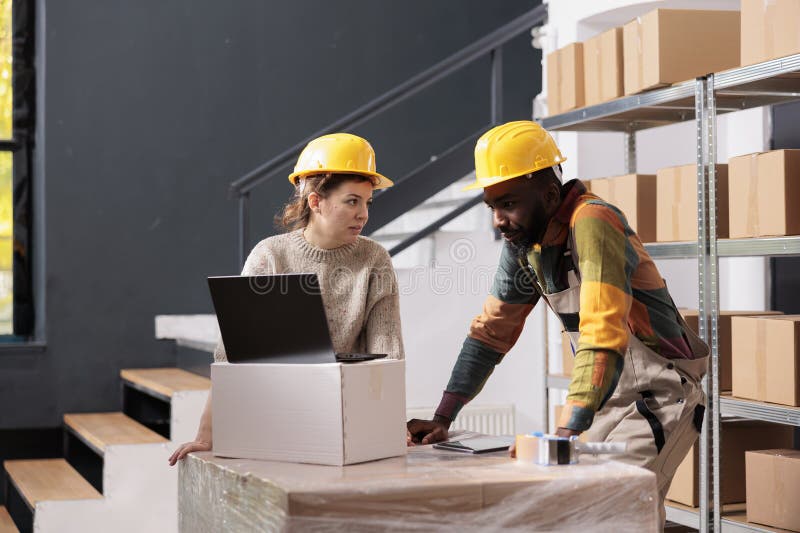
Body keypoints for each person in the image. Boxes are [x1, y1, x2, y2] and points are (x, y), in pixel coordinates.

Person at [406, 121, 708, 522]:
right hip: (606, 402)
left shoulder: (595, 221)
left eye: (508, 204)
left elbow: (603, 329)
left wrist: (567, 429)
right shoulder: (524, 246)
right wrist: (443, 417)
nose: (498, 219)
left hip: (661, 394)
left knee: (613, 510)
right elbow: (490, 334)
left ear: (549, 194)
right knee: (593, 514)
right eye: (492, 206)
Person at [169, 133, 405, 466]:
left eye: (368, 202)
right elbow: (231, 354)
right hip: (274, 416)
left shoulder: (374, 259)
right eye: (352, 201)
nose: (363, 213)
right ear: (316, 201)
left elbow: (387, 355)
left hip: (344, 421)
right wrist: (206, 436)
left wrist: (388, 426)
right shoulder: (270, 257)